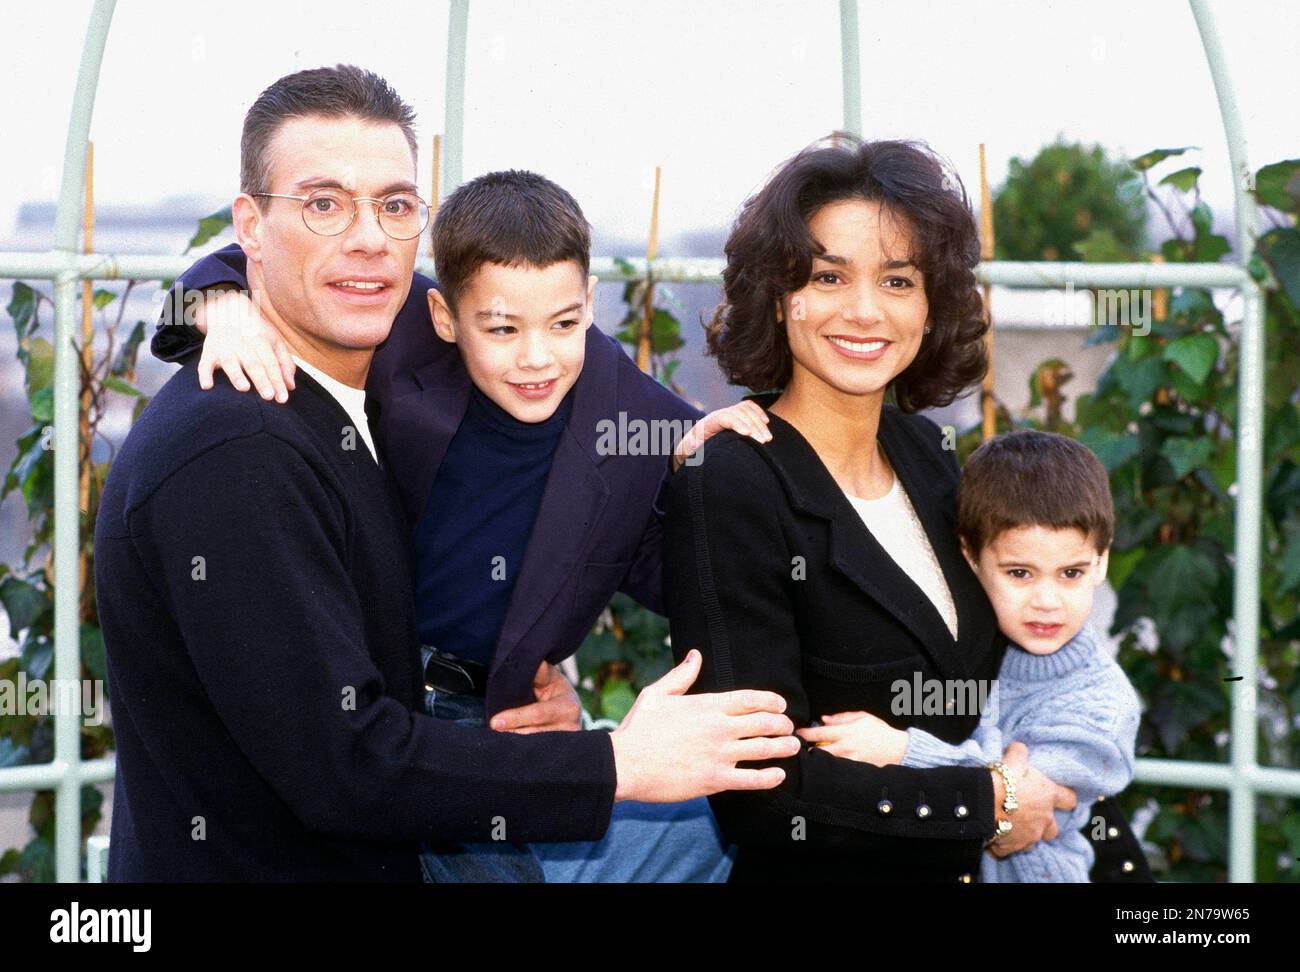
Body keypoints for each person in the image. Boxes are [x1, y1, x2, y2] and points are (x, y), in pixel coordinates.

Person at [97, 64, 800, 882]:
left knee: (730, 830)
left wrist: (513, 705)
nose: (367, 238)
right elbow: (347, 764)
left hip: (437, 805)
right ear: (249, 226)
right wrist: (616, 764)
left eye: (394, 205)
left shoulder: (371, 392)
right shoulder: (237, 454)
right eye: (324, 205)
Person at [663, 133, 1153, 882]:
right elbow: (762, 793)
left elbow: (1034, 705)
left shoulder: (932, 456)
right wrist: (985, 802)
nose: (865, 311)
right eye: (828, 277)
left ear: (932, 302)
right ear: (778, 293)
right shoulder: (733, 480)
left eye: (898, 281)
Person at [796, 429, 1141, 882]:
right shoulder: (982, 645)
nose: (1047, 600)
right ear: (971, 558)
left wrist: (901, 751)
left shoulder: (1103, 705)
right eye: (1020, 573)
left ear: (1102, 563)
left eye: (1070, 573)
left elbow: (1014, 797)